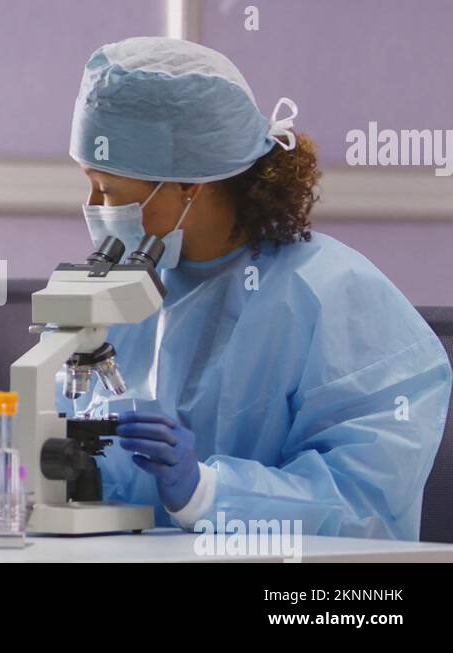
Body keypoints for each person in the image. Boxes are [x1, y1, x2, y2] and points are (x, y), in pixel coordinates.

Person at [65, 37, 452, 540]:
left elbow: (366, 503)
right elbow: (75, 438)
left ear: (190, 183)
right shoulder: (125, 294)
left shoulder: (335, 296)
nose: (94, 206)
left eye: (110, 188)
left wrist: (208, 493)